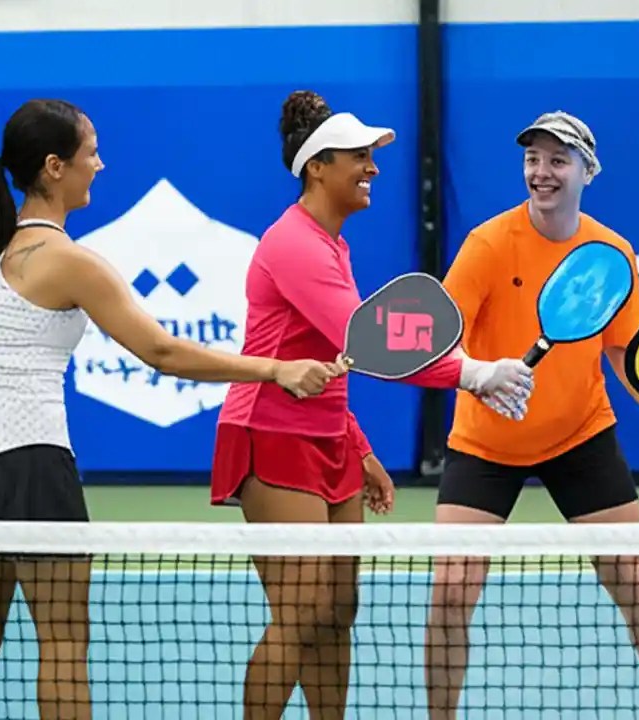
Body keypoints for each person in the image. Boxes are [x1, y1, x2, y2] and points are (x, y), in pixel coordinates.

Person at [0, 98, 342, 720]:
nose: (102, 165)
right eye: (91, 154)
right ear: (56, 167)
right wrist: (274, 369)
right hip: (31, 463)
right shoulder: (71, 261)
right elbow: (161, 350)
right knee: (64, 646)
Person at [210, 90, 534, 720]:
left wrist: (358, 449)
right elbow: (379, 344)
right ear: (316, 168)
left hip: (328, 439)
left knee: (337, 611)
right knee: (299, 614)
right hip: (271, 434)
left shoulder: (332, 244)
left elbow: (340, 360)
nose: (373, 167)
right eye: (357, 156)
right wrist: (473, 372)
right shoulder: (294, 243)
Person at [422, 111, 639, 719]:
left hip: (580, 435)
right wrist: (480, 374)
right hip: (486, 439)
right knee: (449, 593)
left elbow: (626, 352)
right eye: (533, 160)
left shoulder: (612, 253)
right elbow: (442, 335)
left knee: (630, 580)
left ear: (586, 171)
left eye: (557, 160)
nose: (541, 172)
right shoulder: (488, 244)